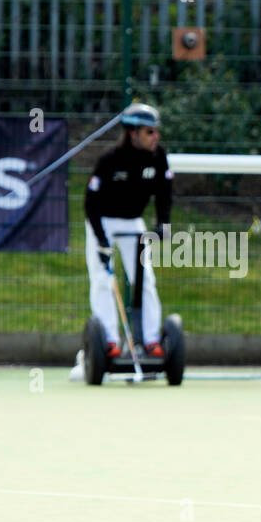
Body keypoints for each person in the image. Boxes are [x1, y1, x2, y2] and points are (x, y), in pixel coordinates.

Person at [84, 102, 171, 357]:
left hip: (133, 222)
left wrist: (163, 223)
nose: (156, 137)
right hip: (103, 222)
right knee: (102, 279)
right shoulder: (110, 160)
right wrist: (101, 242)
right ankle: (110, 341)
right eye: (149, 132)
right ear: (133, 133)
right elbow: (90, 205)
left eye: (156, 131)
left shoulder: (158, 157)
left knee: (146, 280)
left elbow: (164, 195)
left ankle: (151, 340)